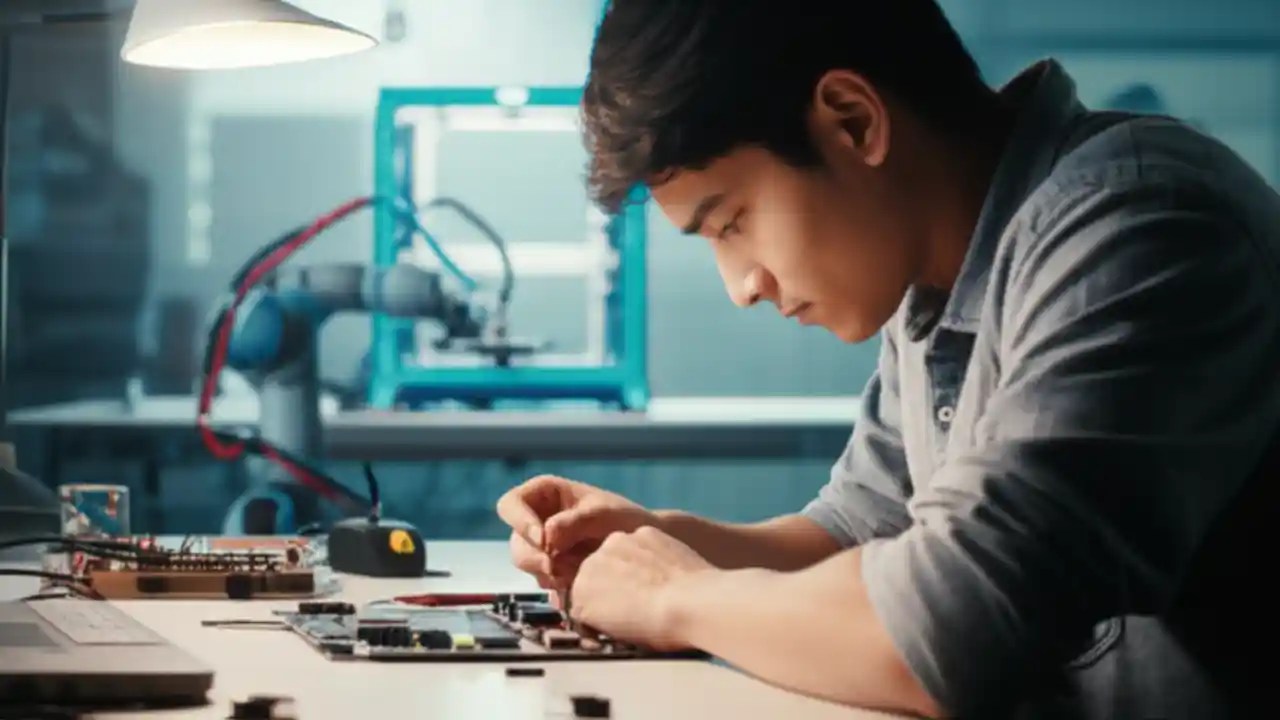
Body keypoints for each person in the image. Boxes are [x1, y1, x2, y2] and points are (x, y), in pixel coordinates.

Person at [496, 2, 1280, 717]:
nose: (741, 287)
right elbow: (856, 535)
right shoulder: (937, 277)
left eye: (731, 221)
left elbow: (947, 628)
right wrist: (656, 541)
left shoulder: (1138, 231)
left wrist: (678, 596)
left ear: (853, 121)